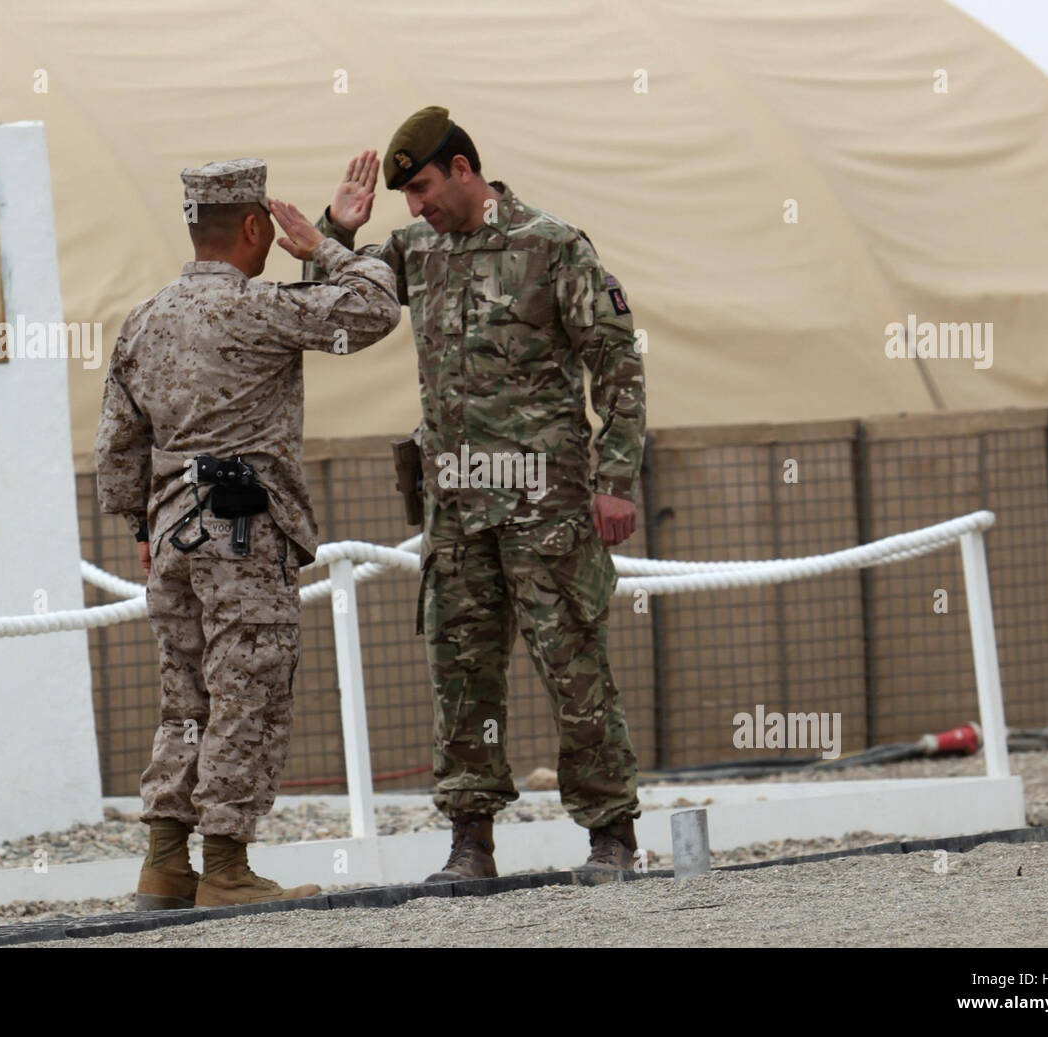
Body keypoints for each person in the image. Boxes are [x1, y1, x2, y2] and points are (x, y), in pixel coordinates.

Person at [303, 107, 647, 879]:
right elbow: (332, 306)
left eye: (422, 187)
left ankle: (611, 836)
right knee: (461, 674)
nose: (415, 206)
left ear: (464, 168)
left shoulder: (551, 244)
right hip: (455, 506)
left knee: (572, 665)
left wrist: (617, 480)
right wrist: (337, 229)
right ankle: (470, 840)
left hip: (545, 506)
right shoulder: (414, 249)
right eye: (405, 197)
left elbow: (617, 360)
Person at [95, 158, 400, 909]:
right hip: (242, 536)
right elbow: (372, 310)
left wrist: (142, 523)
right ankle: (226, 867)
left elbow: (116, 447)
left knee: (186, 696)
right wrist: (324, 247)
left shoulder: (145, 319)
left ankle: (166, 863)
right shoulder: (257, 310)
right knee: (247, 691)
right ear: (258, 228)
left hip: (170, 534)